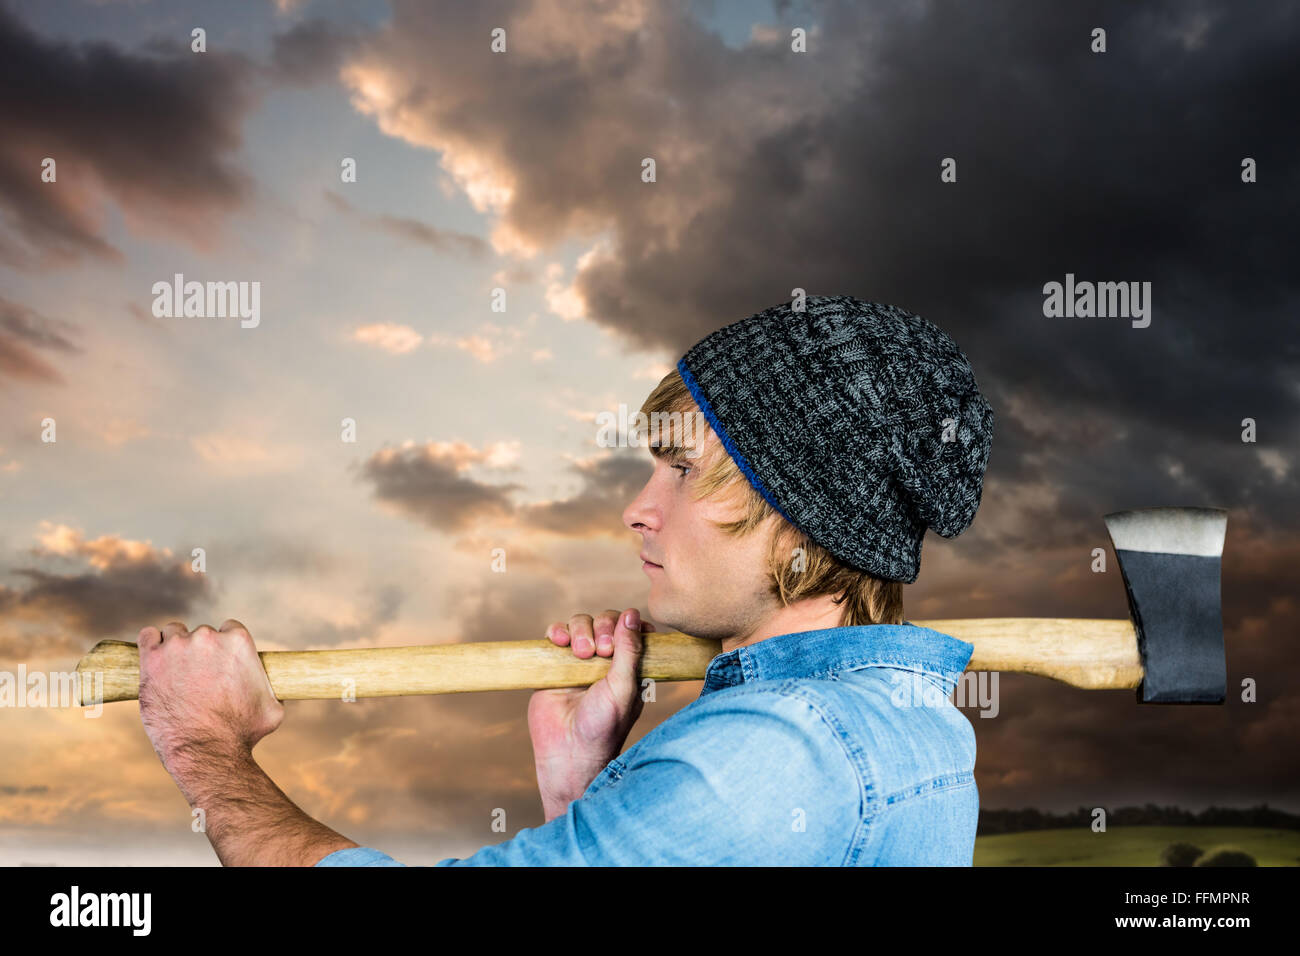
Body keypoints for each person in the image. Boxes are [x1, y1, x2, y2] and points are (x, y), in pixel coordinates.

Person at [136, 294, 995, 866]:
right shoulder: (911, 720)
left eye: (684, 471)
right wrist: (586, 790)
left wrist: (208, 751)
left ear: (802, 520)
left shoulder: (776, 754)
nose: (637, 509)